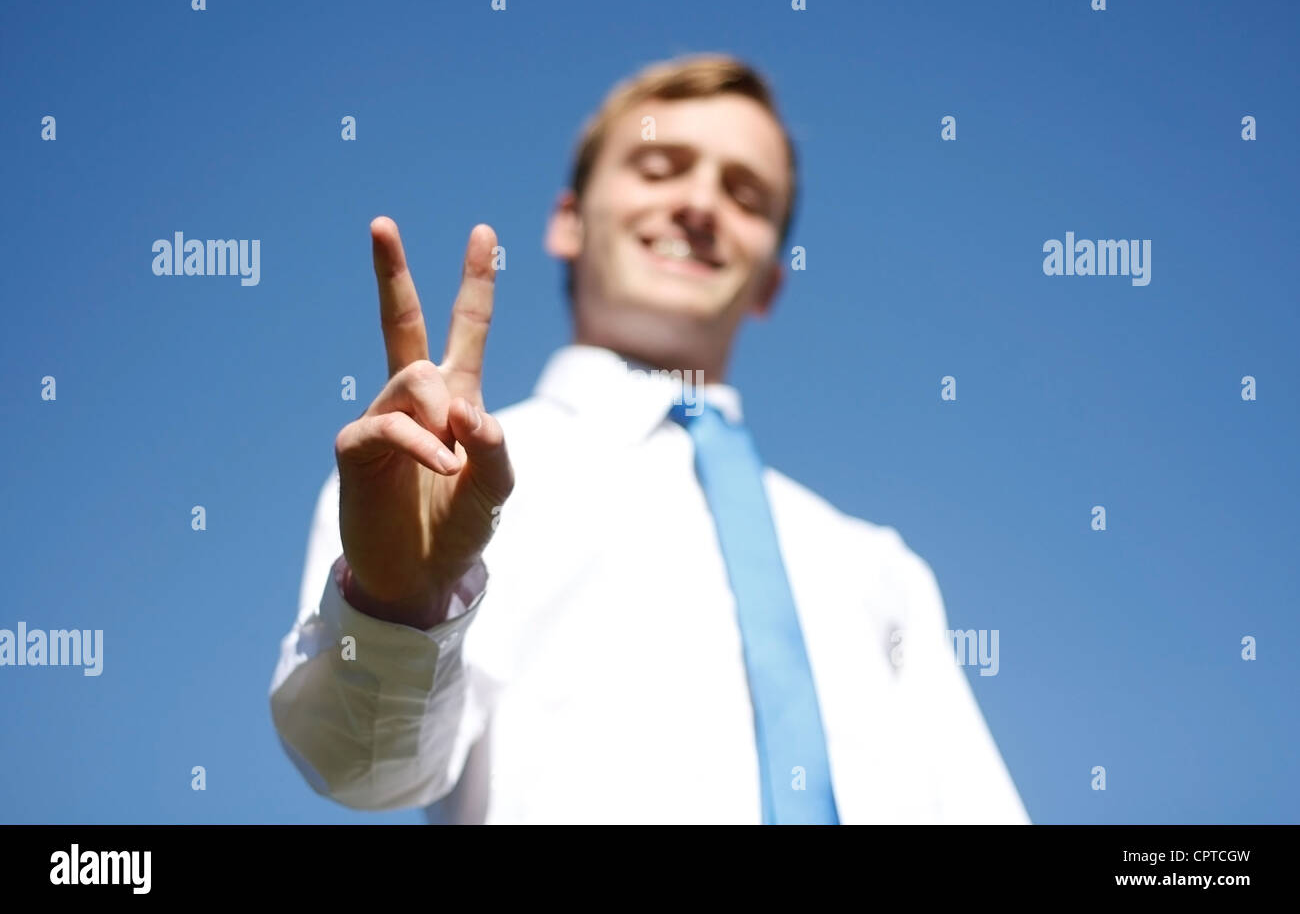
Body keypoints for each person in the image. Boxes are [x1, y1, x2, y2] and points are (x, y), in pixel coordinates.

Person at [268, 53, 1030, 824]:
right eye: (660, 167)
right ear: (568, 220)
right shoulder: (429, 471)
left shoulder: (877, 569)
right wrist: (398, 608)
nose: (700, 204)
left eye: (746, 194)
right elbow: (360, 768)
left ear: (771, 278)